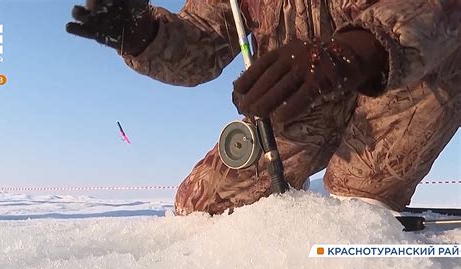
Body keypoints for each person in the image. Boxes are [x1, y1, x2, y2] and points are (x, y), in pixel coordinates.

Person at [67, 0, 461, 215]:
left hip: (406, 73)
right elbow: (201, 43)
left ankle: (370, 205)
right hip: (306, 94)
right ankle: (293, 204)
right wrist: (142, 35)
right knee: (201, 206)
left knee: (355, 202)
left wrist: (354, 53)